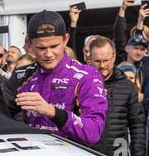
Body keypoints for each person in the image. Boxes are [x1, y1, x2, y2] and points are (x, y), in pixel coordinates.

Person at [11, 10, 108, 146]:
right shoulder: (21, 76)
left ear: (65, 40)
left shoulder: (86, 76)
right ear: (29, 44)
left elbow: (93, 132)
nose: (49, 54)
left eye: (54, 46)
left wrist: (52, 112)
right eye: (41, 47)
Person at [85, 36, 145, 156]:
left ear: (114, 57)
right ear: (89, 59)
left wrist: (138, 155)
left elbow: (137, 123)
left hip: (119, 153)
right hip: (88, 153)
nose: (103, 66)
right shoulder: (81, 84)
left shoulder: (127, 86)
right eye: (98, 61)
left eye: (106, 60)